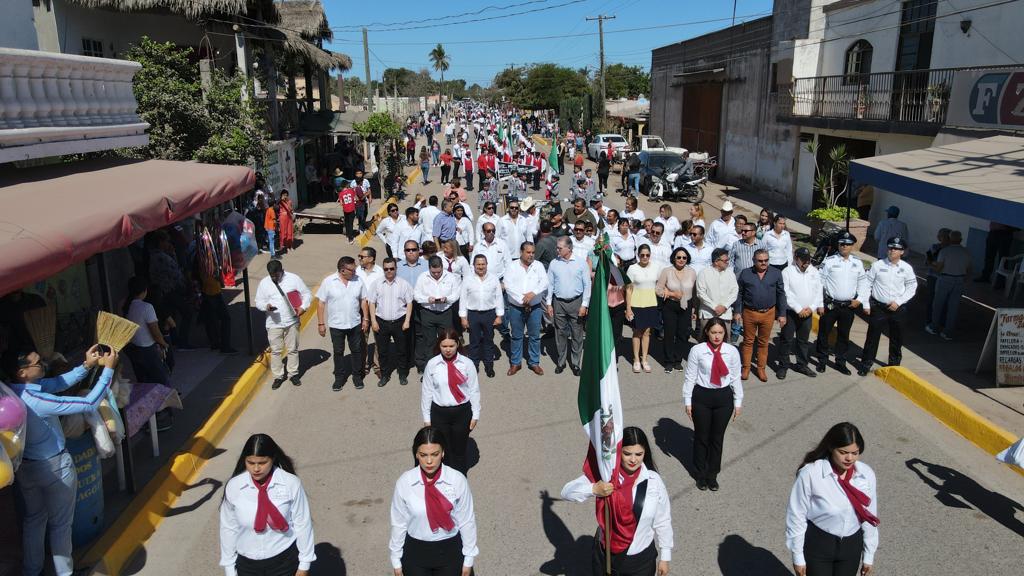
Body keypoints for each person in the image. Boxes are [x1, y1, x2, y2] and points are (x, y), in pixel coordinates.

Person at [9, 344, 117, 576]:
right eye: (38, 363)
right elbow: (88, 403)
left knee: (34, 520)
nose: (44, 364)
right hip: (55, 469)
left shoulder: (14, 391)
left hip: (26, 469)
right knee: (60, 525)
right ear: (23, 372)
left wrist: (87, 365)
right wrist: (108, 370)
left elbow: (58, 383)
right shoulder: (38, 400)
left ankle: (32, 571)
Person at [560, 427, 673, 576]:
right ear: (619, 451)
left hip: (641, 561)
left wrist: (665, 556)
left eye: (639, 454)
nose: (633, 460)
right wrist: (594, 489)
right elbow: (566, 492)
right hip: (606, 558)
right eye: (627, 454)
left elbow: (663, 519)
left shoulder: (654, 481)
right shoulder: (606, 476)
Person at [786, 422, 878, 576]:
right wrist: (798, 556)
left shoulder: (866, 475)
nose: (849, 458)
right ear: (831, 448)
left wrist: (869, 554)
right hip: (819, 544)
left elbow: (869, 516)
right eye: (843, 452)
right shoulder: (811, 473)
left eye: (855, 453)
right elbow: (796, 515)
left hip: (851, 546)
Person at [219, 434, 315, 576]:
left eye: (262, 462)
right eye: (250, 463)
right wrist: (229, 568)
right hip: (247, 564)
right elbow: (228, 527)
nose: (256, 469)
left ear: (273, 459)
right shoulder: (235, 486)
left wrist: (304, 565)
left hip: (284, 560)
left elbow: (302, 523)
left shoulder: (290, 483)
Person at [389, 426, 479, 576]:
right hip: (415, 553)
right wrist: (396, 559)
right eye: (423, 455)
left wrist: (469, 558)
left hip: (450, 552)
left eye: (434, 454)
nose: (429, 461)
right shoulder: (405, 482)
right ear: (416, 454)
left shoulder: (457, 480)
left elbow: (467, 521)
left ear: (443, 453)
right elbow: (398, 523)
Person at [683, 318, 743, 491]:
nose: (717, 337)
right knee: (702, 436)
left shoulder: (731, 351)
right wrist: (688, 401)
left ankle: (712, 474)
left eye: (720, 333)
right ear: (707, 332)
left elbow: (735, 377)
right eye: (713, 332)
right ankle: (700, 473)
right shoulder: (697, 350)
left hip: (723, 398)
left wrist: (738, 402)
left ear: (725, 333)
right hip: (702, 396)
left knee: (717, 438)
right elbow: (690, 377)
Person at [420, 331, 481, 474]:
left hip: (462, 412)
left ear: (457, 344)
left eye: (451, 346)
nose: (448, 350)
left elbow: (474, 390)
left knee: (459, 451)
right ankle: (445, 479)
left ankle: (460, 479)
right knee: (443, 450)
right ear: (439, 346)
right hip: (439, 413)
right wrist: (427, 419)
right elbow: (427, 392)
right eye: (444, 346)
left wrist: (475, 414)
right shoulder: (432, 364)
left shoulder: (467, 364)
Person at [859, 236, 917, 375]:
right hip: (879, 308)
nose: (892, 250)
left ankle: (894, 365)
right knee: (872, 337)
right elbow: (867, 284)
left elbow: (912, 286)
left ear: (902, 252)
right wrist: (866, 304)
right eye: (890, 248)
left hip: (898, 309)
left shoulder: (906, 268)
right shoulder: (877, 265)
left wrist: (898, 302)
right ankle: (866, 363)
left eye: (896, 249)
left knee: (897, 338)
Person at [816, 233, 868, 375]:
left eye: (847, 244)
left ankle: (840, 361)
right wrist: (820, 303)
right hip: (831, 304)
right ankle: (822, 360)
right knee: (824, 333)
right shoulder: (830, 261)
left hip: (848, 306)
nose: (844, 246)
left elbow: (863, 283)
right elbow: (819, 282)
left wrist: (860, 300)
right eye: (842, 244)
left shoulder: (857, 263)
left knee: (844, 335)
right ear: (838, 245)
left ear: (852, 246)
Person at [256, 259, 313, 389]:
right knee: (276, 351)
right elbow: (258, 301)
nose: (274, 277)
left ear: (282, 271)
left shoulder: (294, 279)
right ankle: (278, 376)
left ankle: (293, 374)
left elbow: (307, 294)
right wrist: (266, 306)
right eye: (271, 275)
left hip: (291, 321)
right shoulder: (264, 283)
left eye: (276, 275)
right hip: (273, 323)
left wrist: (303, 307)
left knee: (292, 349)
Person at [734, 249, 787, 382]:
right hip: (749, 313)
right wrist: (737, 311)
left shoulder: (776, 273)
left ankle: (761, 369)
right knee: (748, 341)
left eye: (766, 260)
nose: (763, 263)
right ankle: (745, 368)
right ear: (754, 260)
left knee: (763, 342)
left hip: (768, 313)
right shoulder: (746, 273)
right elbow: (739, 294)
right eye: (760, 261)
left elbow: (781, 294)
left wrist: (782, 314)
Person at [316, 256, 369, 391]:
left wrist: (366, 319)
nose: (355, 272)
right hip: (336, 326)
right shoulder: (328, 282)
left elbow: (364, 300)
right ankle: (339, 378)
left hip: (355, 323)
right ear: (342, 270)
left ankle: (357, 377)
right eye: (352, 270)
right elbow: (321, 303)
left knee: (357, 351)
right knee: (338, 352)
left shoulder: (358, 280)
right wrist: (321, 324)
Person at [546, 237, 592, 375]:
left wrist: (584, 304)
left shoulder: (580, 263)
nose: (557, 250)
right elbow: (550, 284)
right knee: (560, 333)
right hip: (558, 302)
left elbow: (587, 285)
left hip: (576, 302)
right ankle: (561, 362)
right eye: (557, 247)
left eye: (560, 248)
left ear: (569, 248)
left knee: (577, 333)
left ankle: (576, 363)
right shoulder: (554, 263)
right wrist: (549, 303)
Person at [504, 242, 549, 375]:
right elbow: (508, 285)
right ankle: (515, 363)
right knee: (516, 336)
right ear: (521, 252)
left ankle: (534, 362)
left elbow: (544, 282)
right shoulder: (512, 266)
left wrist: (532, 293)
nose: (531, 255)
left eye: (533, 252)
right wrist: (523, 299)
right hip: (516, 307)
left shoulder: (538, 265)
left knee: (534, 336)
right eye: (528, 252)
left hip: (535, 307)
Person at [369, 258, 415, 387]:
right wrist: (373, 321)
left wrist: (407, 321)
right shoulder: (376, 284)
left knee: (402, 350)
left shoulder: (403, 284)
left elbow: (409, 303)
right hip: (381, 322)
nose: (389, 271)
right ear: (383, 269)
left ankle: (402, 374)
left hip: (399, 322)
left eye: (391, 268)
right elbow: (371, 302)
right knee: (383, 351)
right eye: (386, 269)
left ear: (396, 268)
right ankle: (384, 375)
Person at [780, 248, 823, 379]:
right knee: (786, 340)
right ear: (795, 258)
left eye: (808, 260)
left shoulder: (814, 271)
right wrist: (798, 309)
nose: (806, 262)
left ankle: (802, 364)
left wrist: (812, 308)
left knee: (803, 340)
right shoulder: (787, 272)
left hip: (808, 312)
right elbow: (785, 293)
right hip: (791, 312)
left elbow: (818, 291)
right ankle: (783, 366)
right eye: (803, 260)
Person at [123, 276, 172, 388]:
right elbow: (155, 332)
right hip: (147, 349)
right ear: (145, 290)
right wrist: (164, 343)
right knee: (161, 379)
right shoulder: (146, 307)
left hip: (132, 348)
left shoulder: (124, 305)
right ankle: (165, 404)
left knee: (144, 381)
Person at [414, 256, 462, 371]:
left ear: (442, 267)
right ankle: (430, 369)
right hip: (428, 313)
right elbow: (416, 295)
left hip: (445, 313)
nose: (436, 274)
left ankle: (447, 368)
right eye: (433, 272)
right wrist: (427, 299)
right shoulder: (422, 277)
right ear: (429, 268)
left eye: (439, 272)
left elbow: (456, 294)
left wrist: (447, 299)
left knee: (446, 342)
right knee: (429, 343)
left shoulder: (450, 277)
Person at [459, 255, 503, 379]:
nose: (481, 267)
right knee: (474, 342)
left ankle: (489, 365)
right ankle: (474, 365)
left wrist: (499, 316)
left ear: (486, 264)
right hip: (473, 314)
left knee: (489, 341)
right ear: (473, 265)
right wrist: (463, 317)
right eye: (478, 264)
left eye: (483, 264)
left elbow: (499, 297)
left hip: (489, 314)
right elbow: (463, 299)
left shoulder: (493, 279)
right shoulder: (467, 279)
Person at [657, 247, 697, 373]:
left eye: (684, 257)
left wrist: (694, 309)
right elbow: (658, 289)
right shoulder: (667, 271)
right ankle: (668, 361)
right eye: (678, 257)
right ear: (674, 258)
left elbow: (694, 292)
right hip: (670, 305)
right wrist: (672, 294)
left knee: (682, 334)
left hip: (686, 306)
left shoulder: (692, 272)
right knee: (669, 333)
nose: (681, 260)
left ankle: (678, 360)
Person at [926, 230, 971, 340]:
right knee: (953, 307)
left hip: (945, 279)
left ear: (950, 239)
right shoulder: (966, 252)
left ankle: (934, 327)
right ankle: (948, 332)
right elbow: (969, 269)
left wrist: (931, 264)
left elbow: (939, 268)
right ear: (961, 240)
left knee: (938, 304)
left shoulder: (945, 251)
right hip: (959, 280)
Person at [626, 244, 662, 374]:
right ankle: (636, 359)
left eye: (647, 255)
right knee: (637, 332)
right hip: (636, 304)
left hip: (651, 303)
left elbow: (659, 284)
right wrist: (628, 308)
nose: (645, 257)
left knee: (647, 332)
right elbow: (629, 290)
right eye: (642, 255)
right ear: (638, 255)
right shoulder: (632, 268)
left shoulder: (656, 267)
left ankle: (644, 359)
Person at [695, 248, 738, 338]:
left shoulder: (730, 273)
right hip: (708, 313)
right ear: (716, 261)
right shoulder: (703, 273)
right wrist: (714, 307)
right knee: (706, 341)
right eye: (725, 260)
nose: (727, 262)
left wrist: (724, 306)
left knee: (724, 342)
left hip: (725, 314)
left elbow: (734, 292)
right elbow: (700, 293)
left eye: (728, 260)